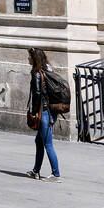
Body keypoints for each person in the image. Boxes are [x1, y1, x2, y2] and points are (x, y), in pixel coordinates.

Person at [26, 47, 61, 181]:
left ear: (34, 58)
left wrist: (34, 112)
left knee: (48, 144)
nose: (28, 58)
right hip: (50, 111)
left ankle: (56, 174)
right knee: (39, 141)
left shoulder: (37, 73)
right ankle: (36, 171)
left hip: (44, 112)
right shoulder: (48, 70)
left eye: (29, 56)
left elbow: (37, 94)